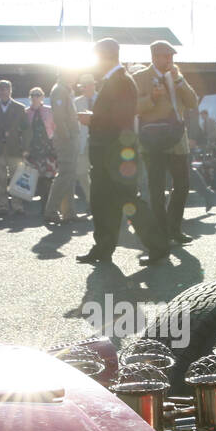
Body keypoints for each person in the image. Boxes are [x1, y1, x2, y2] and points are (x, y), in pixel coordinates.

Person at [77, 38, 137, 265]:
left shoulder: (120, 81)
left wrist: (91, 120)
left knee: (113, 202)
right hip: (111, 152)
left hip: (111, 153)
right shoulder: (116, 80)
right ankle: (103, 247)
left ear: (105, 57)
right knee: (106, 202)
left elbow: (120, 119)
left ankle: (158, 245)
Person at [133, 39, 198, 250]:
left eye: (171, 56)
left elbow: (193, 102)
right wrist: (152, 97)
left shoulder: (177, 75)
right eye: (166, 56)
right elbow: (133, 107)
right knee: (156, 190)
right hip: (153, 140)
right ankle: (161, 233)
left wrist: (179, 81)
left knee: (182, 186)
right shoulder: (140, 77)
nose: (170, 60)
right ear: (154, 57)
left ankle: (174, 228)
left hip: (177, 138)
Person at [0, 79, 29, 217]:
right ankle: (3, 206)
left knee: (16, 178)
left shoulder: (19, 107)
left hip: (15, 148)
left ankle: (18, 205)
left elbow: (26, 129)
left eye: (6, 89)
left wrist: (25, 148)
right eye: (0, 89)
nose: (3, 91)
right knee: (1, 178)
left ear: (11, 90)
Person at [46, 70, 82, 224]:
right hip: (66, 138)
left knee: (69, 175)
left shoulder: (64, 89)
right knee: (65, 174)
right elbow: (59, 118)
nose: (75, 76)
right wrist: (67, 137)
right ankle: (51, 211)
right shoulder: (59, 90)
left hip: (70, 136)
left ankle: (69, 212)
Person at [24, 87, 57, 209]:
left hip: (48, 148)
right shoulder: (26, 112)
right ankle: (34, 206)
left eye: (38, 95)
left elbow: (55, 128)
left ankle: (47, 205)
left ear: (43, 97)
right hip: (33, 150)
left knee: (48, 177)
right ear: (30, 97)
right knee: (34, 178)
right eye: (33, 95)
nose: (35, 97)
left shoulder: (49, 111)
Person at [74, 73, 98, 206]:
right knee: (81, 173)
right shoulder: (76, 102)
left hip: (100, 142)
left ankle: (99, 201)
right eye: (84, 86)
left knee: (99, 174)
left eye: (89, 85)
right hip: (83, 142)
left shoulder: (102, 99)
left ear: (94, 85)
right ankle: (91, 199)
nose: (87, 88)